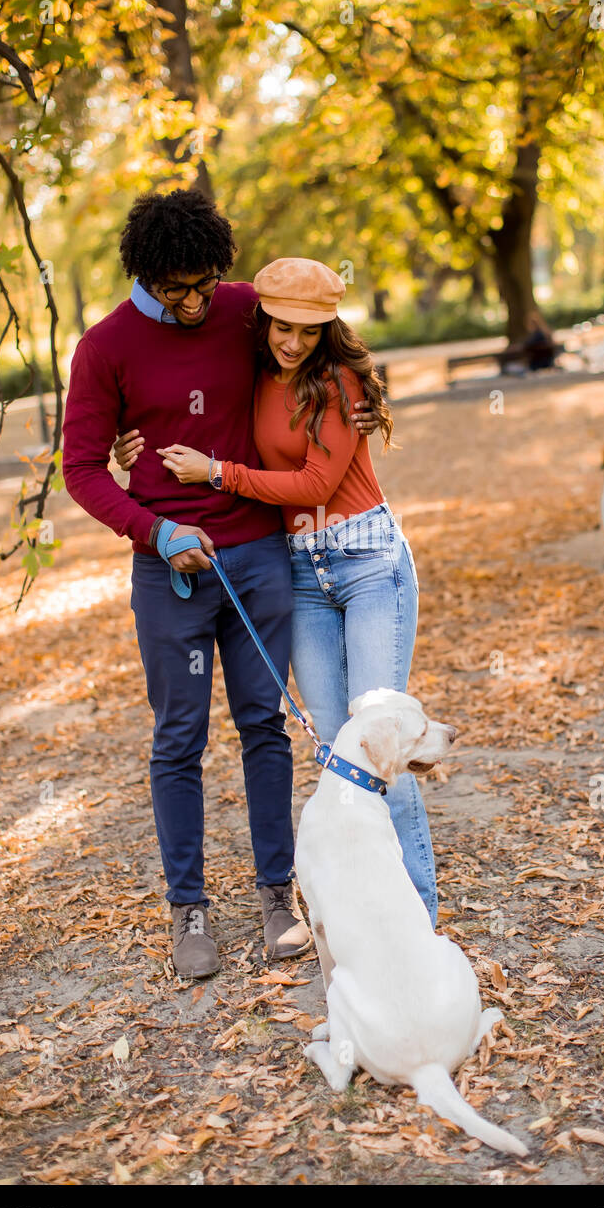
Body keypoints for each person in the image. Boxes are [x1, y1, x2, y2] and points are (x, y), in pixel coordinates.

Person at [62, 190, 378, 979]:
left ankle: (278, 897)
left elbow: (325, 342)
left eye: (207, 282)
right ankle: (189, 908)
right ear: (144, 275)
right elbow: (79, 469)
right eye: (178, 289)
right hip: (167, 569)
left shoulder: (244, 311)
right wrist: (156, 530)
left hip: (259, 558)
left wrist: (370, 400)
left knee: (263, 725)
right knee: (179, 741)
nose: (198, 301)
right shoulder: (104, 348)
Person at [114, 257, 440, 926]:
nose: (293, 341)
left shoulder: (340, 380)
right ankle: (361, 915)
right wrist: (132, 449)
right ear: (262, 319)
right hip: (301, 572)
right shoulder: (253, 372)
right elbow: (187, 399)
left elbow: (317, 485)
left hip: (367, 561)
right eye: (282, 326)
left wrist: (219, 475)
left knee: (379, 739)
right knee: (335, 751)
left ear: (328, 330)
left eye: (309, 330)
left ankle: (418, 922)